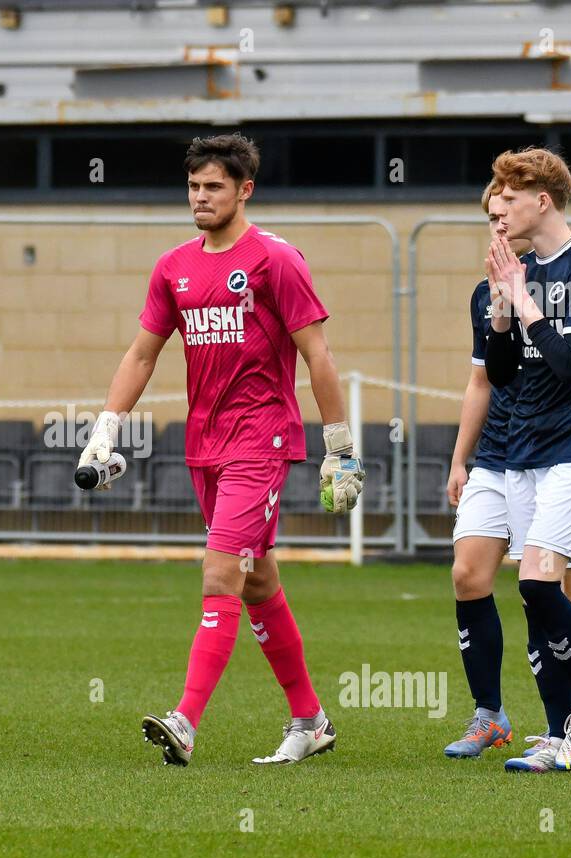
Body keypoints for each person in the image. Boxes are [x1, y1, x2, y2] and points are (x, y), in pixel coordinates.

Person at [78, 133, 365, 767]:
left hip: (260, 441)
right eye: (193, 187)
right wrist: (105, 426)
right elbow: (143, 352)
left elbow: (317, 354)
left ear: (244, 190)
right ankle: (311, 719)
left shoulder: (274, 260)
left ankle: (185, 720)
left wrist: (339, 447)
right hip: (203, 445)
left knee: (219, 574)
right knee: (258, 580)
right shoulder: (173, 266)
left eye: (214, 187)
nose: (201, 197)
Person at [444, 180, 571, 759]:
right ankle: (490, 716)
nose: (496, 219)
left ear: (539, 203)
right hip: (499, 453)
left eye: (504, 207)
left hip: (559, 452)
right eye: (489, 212)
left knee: (552, 588)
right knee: (468, 575)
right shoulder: (488, 293)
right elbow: (486, 378)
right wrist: (460, 458)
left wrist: (521, 299)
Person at [483, 147, 571, 773]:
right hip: (524, 449)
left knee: (539, 578)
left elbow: (569, 364)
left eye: (509, 196)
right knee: (536, 592)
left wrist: (525, 300)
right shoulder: (518, 270)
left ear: (543, 200)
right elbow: (505, 375)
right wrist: (504, 309)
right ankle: (558, 730)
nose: (497, 206)